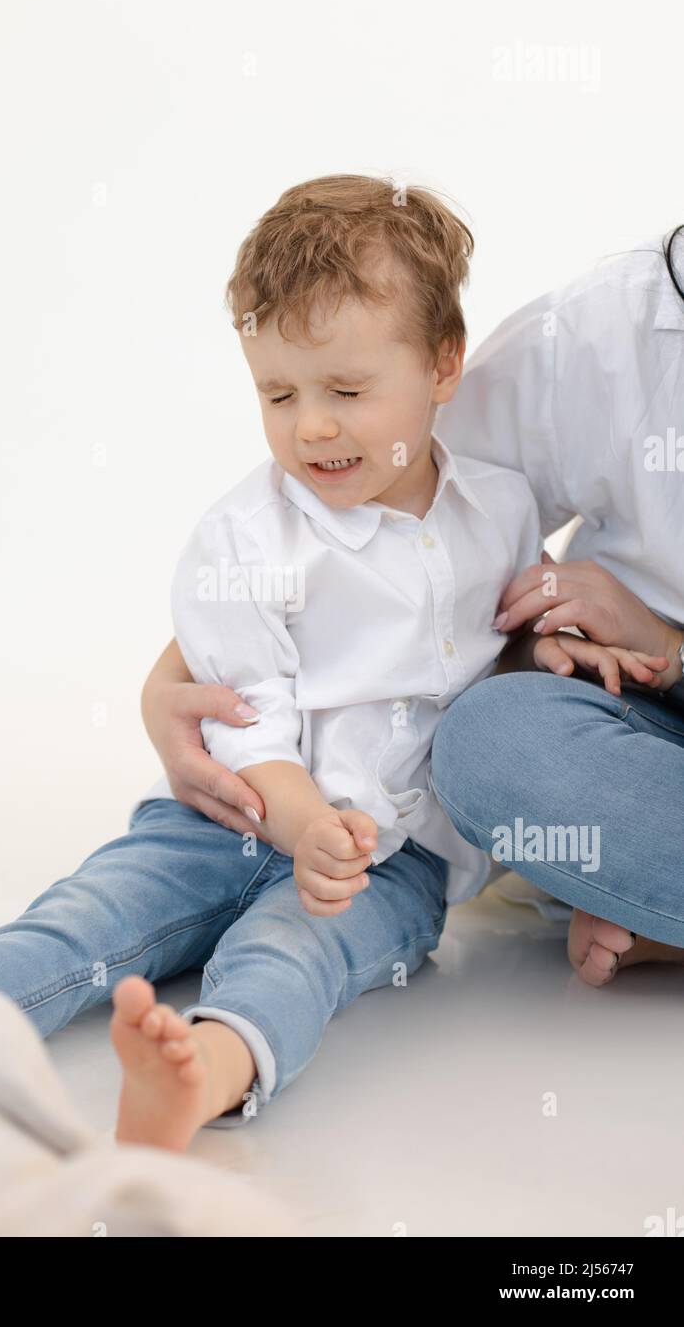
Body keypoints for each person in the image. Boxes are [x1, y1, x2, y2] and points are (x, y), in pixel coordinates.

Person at [0, 178, 669, 1152]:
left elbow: (498, 633)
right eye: (277, 393)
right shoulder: (245, 539)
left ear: (443, 367)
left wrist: (543, 641)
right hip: (221, 815)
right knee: (95, 912)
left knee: (292, 956)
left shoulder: (501, 509)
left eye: (345, 393)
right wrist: (305, 828)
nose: (310, 426)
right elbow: (246, 713)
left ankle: (204, 1071)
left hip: (391, 864)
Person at [144, 223, 684, 991]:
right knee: (495, 741)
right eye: (278, 394)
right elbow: (391, 505)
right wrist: (188, 663)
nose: (312, 419)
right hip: (652, 716)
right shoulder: (600, 333)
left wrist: (669, 639)